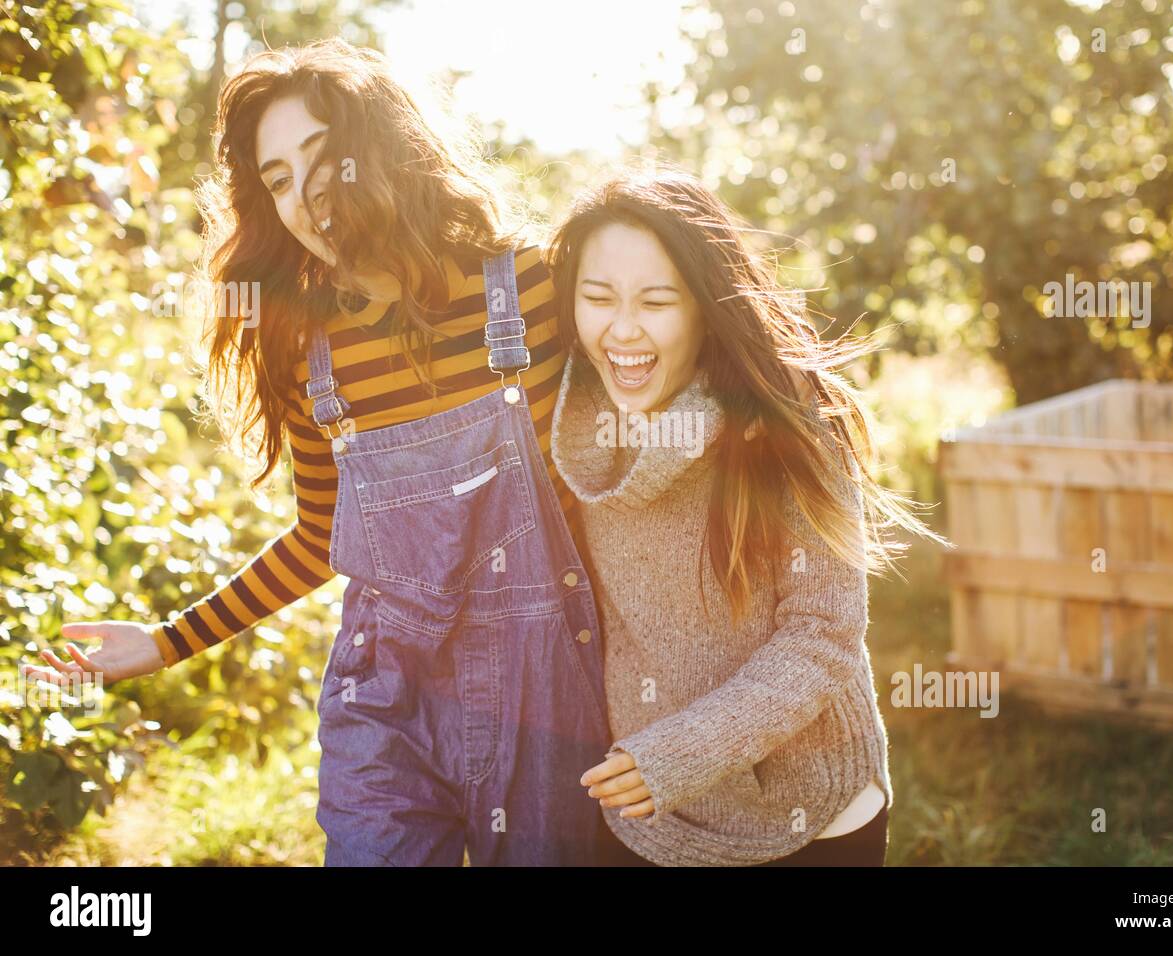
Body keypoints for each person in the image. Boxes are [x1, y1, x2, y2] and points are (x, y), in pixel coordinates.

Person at [21, 38, 610, 866]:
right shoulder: (311, 353)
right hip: (387, 704)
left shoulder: (538, 285)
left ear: (386, 149)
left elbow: (622, 487)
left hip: (548, 701)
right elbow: (320, 539)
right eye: (277, 180)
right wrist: (163, 642)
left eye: (323, 160)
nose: (303, 196)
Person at [543, 167, 944, 866]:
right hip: (652, 811)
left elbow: (822, 635)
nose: (623, 330)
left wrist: (680, 753)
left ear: (706, 304)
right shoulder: (570, 425)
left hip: (811, 811)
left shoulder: (786, 423)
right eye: (598, 298)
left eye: (658, 302)